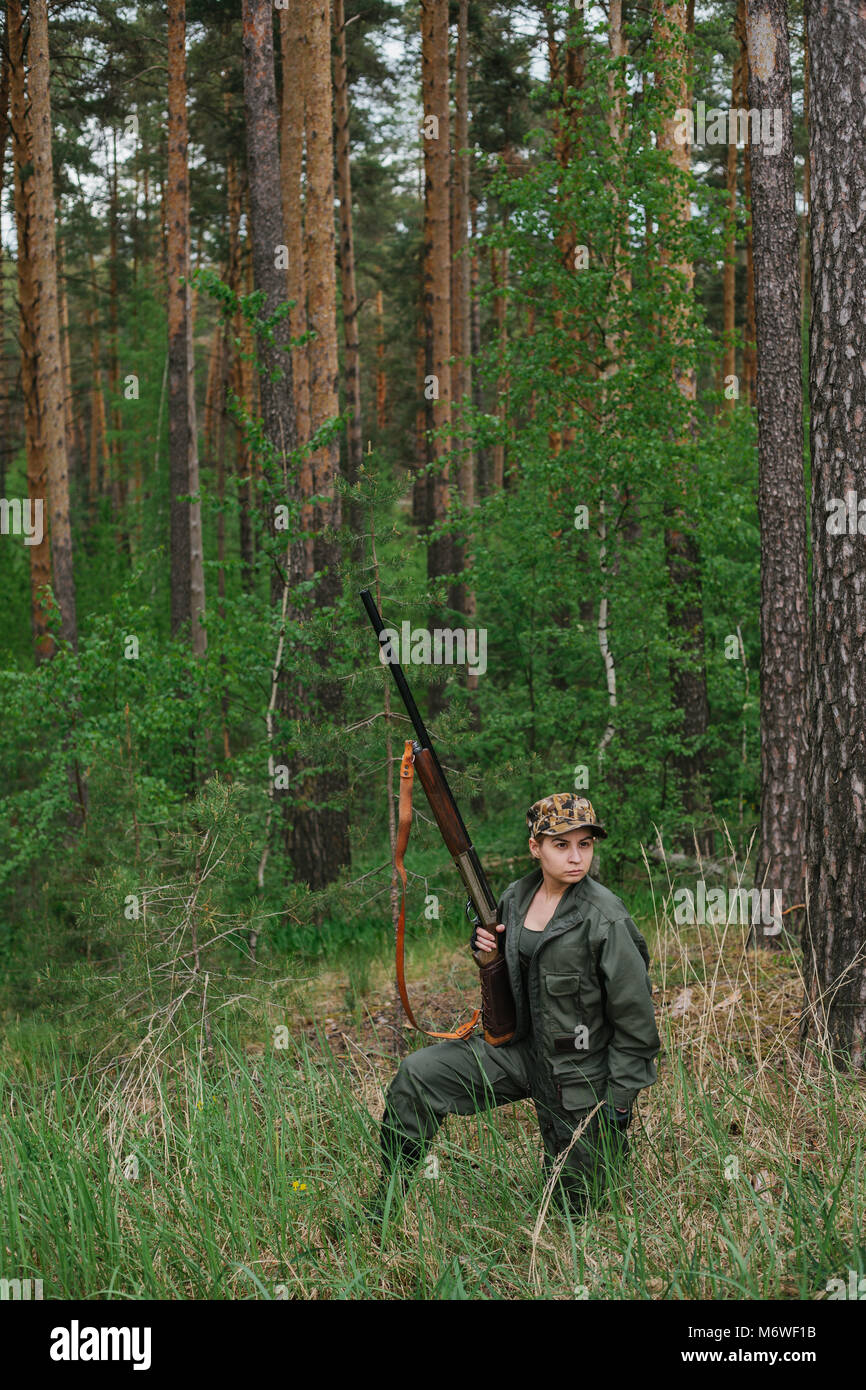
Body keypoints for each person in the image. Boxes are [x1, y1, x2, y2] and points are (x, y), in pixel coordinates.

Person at [367, 793, 661, 1222]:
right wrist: (483, 951)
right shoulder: (514, 899)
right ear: (535, 847)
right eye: (561, 845)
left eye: (586, 844)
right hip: (518, 1052)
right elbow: (505, 970)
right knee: (418, 1076)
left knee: (572, 1215)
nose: (576, 857)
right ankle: (386, 1201)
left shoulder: (606, 918)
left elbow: (636, 1023)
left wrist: (617, 1106)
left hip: (580, 1075)